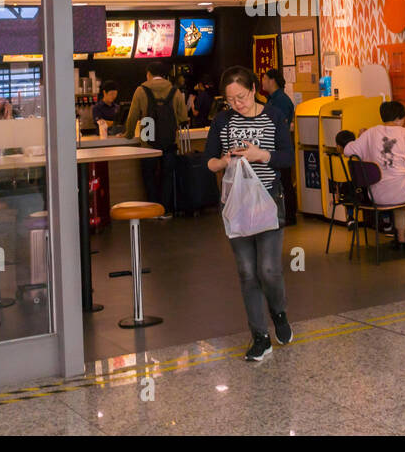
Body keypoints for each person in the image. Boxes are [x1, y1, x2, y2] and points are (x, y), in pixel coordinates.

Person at [205, 66, 294, 361]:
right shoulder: (222, 121)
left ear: (254, 89)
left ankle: (278, 313)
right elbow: (209, 161)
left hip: (268, 198)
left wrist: (261, 155)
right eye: (230, 100)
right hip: (236, 203)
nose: (236, 105)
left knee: (268, 269)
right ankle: (260, 336)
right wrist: (221, 162)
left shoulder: (274, 116)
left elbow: (287, 157)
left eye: (241, 97)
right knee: (246, 271)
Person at [341, 100, 405, 248]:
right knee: (403, 193)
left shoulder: (370, 133)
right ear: (400, 118)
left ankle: (401, 239)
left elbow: (347, 151)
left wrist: (360, 137)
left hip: (377, 195)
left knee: (396, 193)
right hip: (403, 192)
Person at [124, 60, 189, 214]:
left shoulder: (141, 90)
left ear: (149, 74)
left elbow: (132, 116)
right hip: (170, 141)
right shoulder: (175, 91)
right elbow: (183, 117)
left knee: (149, 176)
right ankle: (165, 210)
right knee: (167, 175)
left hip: (148, 140)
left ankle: (153, 210)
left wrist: (128, 134)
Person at [261, 68, 297, 225]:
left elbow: (276, 125)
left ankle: (289, 216)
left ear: (272, 81)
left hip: (280, 148)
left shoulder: (280, 101)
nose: (262, 82)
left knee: (285, 182)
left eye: (264, 78)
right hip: (275, 148)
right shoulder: (273, 99)